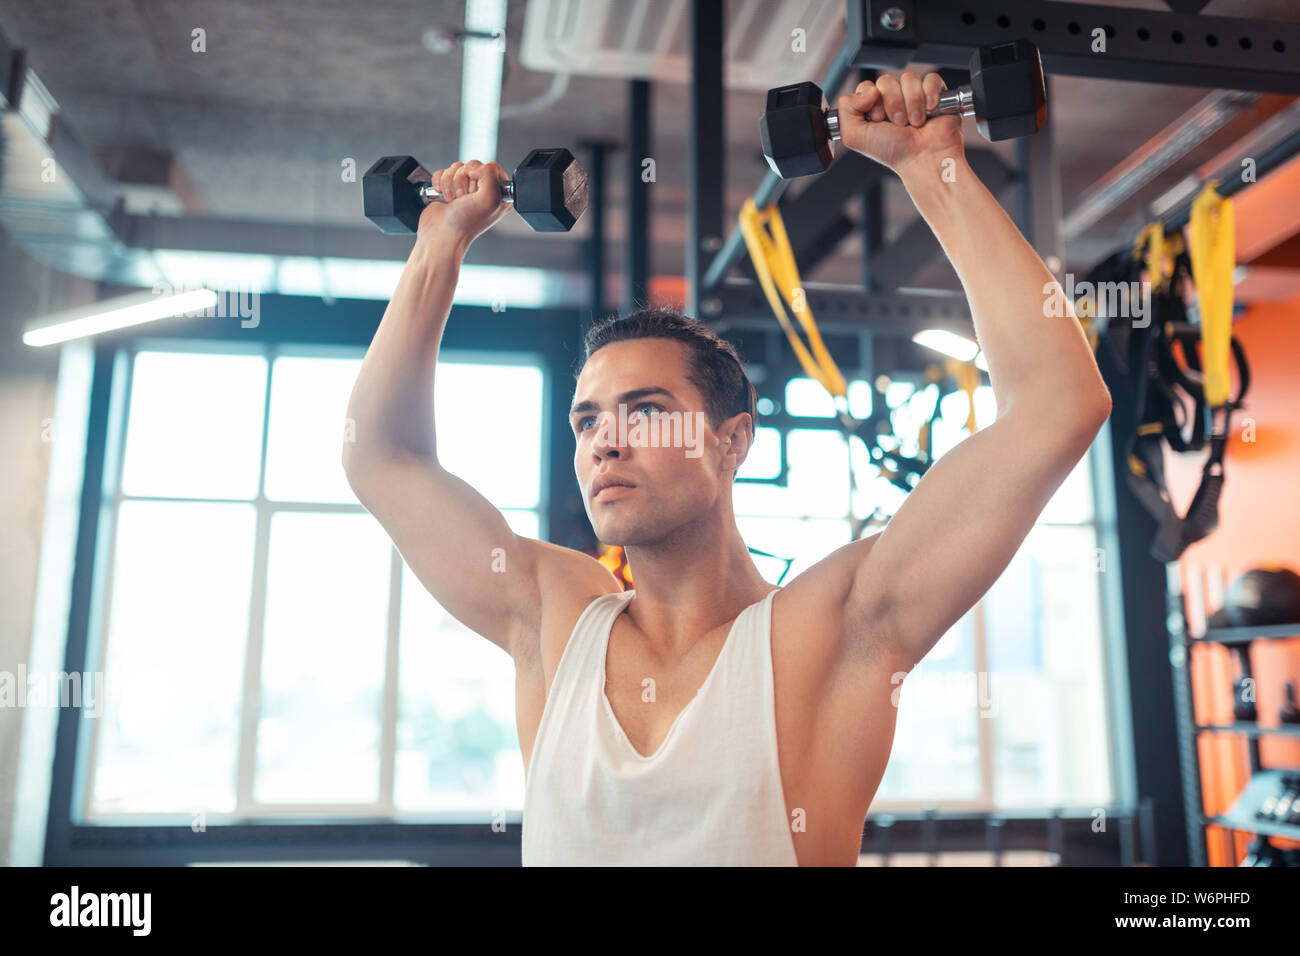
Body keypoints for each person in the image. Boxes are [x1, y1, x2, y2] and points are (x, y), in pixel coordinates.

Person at [342, 70, 1112, 866]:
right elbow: (381, 454)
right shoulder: (555, 620)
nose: (605, 441)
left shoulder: (833, 629)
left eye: (643, 410)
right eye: (586, 420)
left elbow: (1058, 405)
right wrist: (439, 244)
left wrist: (932, 168)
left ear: (732, 440)